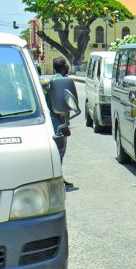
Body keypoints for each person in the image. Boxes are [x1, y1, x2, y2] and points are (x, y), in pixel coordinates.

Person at [46, 56, 78, 190]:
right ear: (64, 66)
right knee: (59, 152)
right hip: (57, 122)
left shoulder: (53, 80)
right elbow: (59, 106)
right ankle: (57, 181)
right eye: (67, 65)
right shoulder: (61, 81)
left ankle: (58, 179)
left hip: (52, 120)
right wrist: (64, 124)